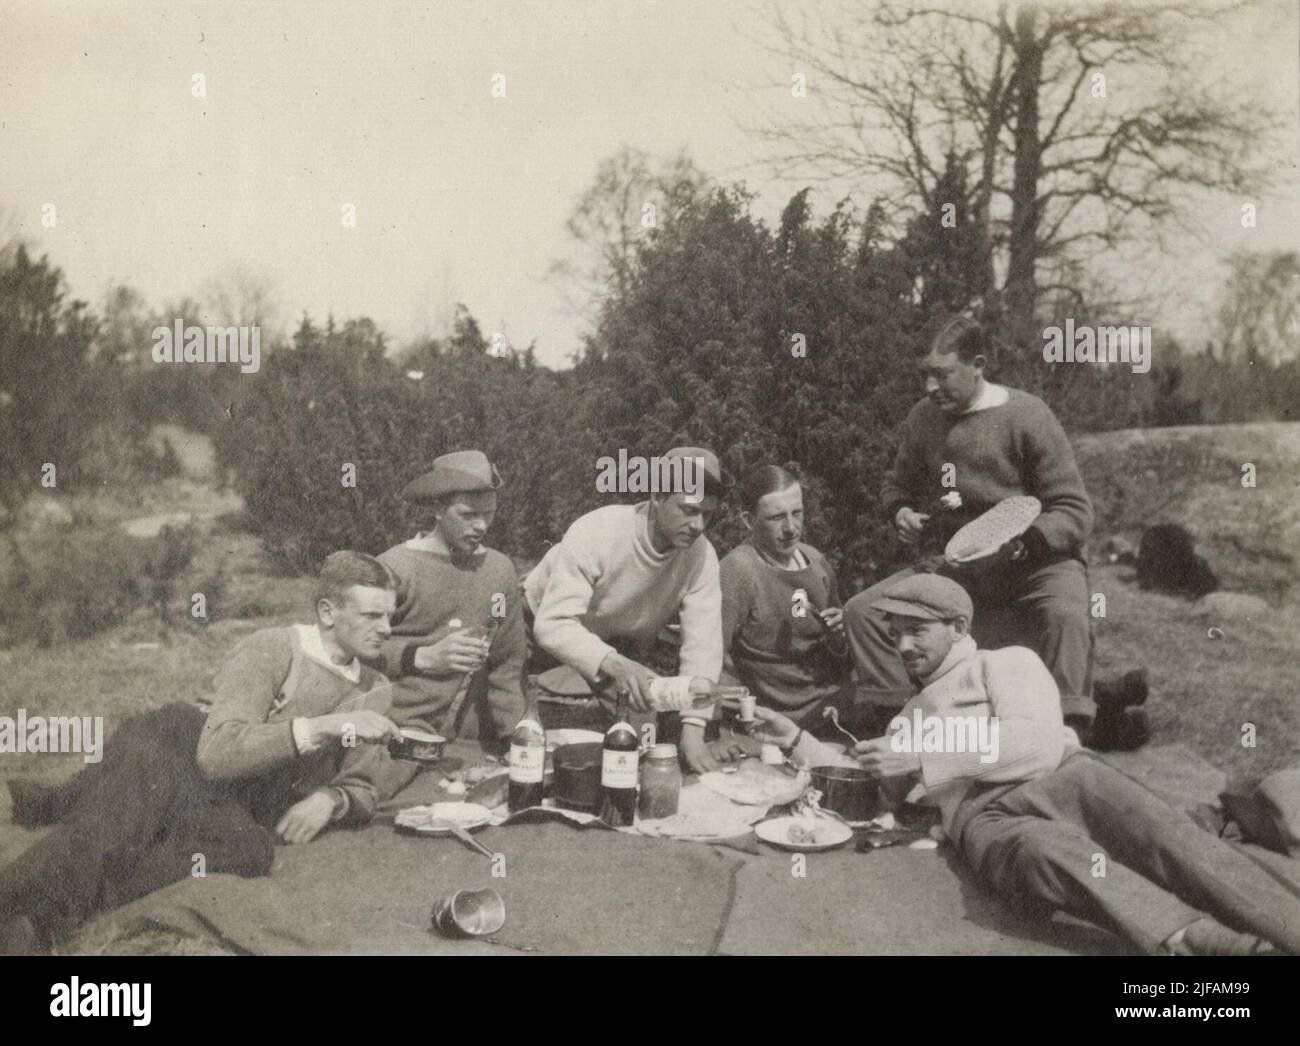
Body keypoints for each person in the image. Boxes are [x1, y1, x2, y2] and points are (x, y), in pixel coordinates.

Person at [751, 574, 1300, 956]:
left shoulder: (1004, 663)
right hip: (984, 819)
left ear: (959, 628)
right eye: (895, 630)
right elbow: (860, 769)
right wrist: (797, 737)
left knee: (1171, 841)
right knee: (1050, 855)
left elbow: (1034, 742)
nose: (902, 643)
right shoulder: (908, 716)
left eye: (917, 628)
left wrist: (923, 756)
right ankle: (1198, 943)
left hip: (1064, 778)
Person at [0, 551, 403, 954]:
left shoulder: (375, 688)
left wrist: (332, 799)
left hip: (231, 793)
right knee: (117, 824)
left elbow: (363, 787)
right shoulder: (275, 649)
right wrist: (320, 727)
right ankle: (24, 911)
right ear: (328, 613)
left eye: (389, 616)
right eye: (372, 616)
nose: (385, 629)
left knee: (248, 850)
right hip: (179, 744)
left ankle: (63, 821)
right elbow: (218, 753)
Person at [842, 315, 1113, 745]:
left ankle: (1066, 737)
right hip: (961, 565)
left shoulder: (1027, 415)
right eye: (924, 375)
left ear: (978, 365)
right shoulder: (923, 419)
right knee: (865, 612)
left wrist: (1027, 542)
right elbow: (898, 485)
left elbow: (1074, 509)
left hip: (1035, 562)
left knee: (1065, 614)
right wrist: (902, 511)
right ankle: (899, 730)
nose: (931, 387)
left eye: (942, 374)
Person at [522, 446, 728, 773]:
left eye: (707, 514)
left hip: (618, 638)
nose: (699, 525)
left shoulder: (702, 557)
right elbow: (552, 625)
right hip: (539, 623)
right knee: (514, 733)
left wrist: (694, 730)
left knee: (639, 735)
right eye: (689, 510)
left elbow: (703, 646)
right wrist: (616, 665)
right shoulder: (598, 531)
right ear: (657, 496)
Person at [719, 464, 854, 733]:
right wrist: (730, 722)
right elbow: (713, 658)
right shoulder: (738, 570)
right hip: (773, 720)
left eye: (797, 513)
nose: (791, 528)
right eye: (776, 517)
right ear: (748, 520)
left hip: (830, 710)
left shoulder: (815, 561)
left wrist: (842, 634)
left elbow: (840, 657)